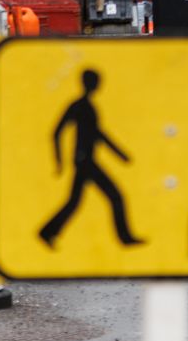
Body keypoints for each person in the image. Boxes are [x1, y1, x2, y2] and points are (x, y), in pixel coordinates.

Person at [39, 69, 143, 248]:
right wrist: (58, 161)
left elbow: (98, 134)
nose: (97, 85)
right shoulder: (79, 106)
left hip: (86, 161)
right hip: (84, 162)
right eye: (95, 81)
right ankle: (125, 238)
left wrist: (120, 154)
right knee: (115, 196)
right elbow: (57, 132)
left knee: (74, 202)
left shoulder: (88, 107)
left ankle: (47, 232)